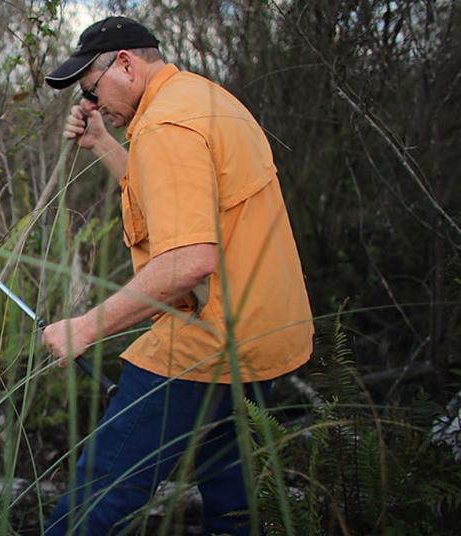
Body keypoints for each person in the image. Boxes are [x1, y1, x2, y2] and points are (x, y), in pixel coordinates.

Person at [39, 15, 314, 535]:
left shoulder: (165, 125)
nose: (92, 105)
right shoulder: (203, 100)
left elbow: (188, 260)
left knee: (99, 494)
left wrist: (85, 327)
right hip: (263, 337)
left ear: (125, 64)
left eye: (92, 91)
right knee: (231, 497)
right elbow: (174, 201)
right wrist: (101, 142)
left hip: (206, 343)